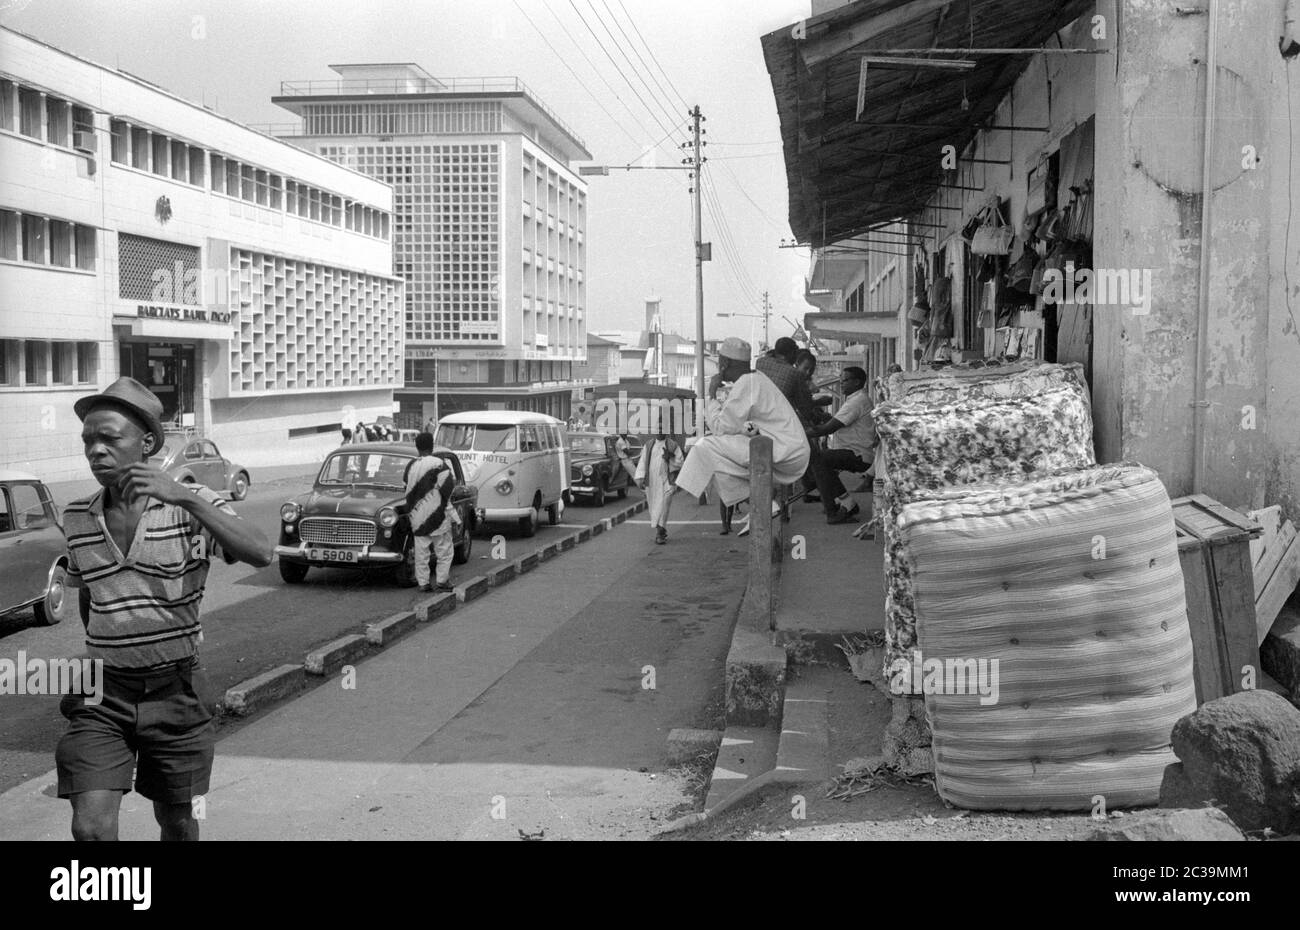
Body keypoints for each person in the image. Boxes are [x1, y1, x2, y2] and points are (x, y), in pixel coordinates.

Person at [58, 377, 273, 841]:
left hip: (176, 693)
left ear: (147, 442)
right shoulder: (76, 517)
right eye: (88, 441)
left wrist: (186, 495)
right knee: (91, 827)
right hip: (102, 696)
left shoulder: (190, 509)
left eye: (109, 438)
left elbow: (260, 552)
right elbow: (88, 593)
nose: (95, 450)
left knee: (176, 821)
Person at [673, 337, 810, 535]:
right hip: (788, 448)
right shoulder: (756, 379)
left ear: (725, 364)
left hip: (786, 451)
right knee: (716, 460)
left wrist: (711, 394)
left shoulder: (747, 383)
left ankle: (761, 503)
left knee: (706, 446)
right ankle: (759, 505)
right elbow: (735, 427)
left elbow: (721, 428)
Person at [806, 366, 877, 524]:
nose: (841, 384)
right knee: (820, 461)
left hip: (858, 454)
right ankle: (839, 503)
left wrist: (803, 433)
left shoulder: (857, 401)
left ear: (857, 382)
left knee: (819, 459)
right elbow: (833, 422)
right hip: (851, 451)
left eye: (845, 381)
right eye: (841, 380)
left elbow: (829, 428)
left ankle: (839, 508)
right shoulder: (855, 399)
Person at [403, 432, 460, 593]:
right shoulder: (440, 465)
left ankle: (423, 583)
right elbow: (448, 489)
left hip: (416, 516)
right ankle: (442, 581)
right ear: (432, 445)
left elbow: (405, 487)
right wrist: (453, 515)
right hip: (437, 516)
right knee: (444, 551)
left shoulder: (410, 466)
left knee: (421, 553)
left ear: (417, 447)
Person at [635, 433, 683, 544]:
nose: (660, 431)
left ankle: (660, 533)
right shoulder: (648, 445)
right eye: (658, 428)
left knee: (665, 503)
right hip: (652, 481)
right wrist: (640, 478)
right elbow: (642, 462)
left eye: (662, 428)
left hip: (668, 480)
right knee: (655, 507)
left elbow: (680, 462)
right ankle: (661, 530)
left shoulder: (673, 445)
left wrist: (670, 457)